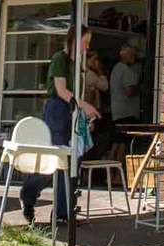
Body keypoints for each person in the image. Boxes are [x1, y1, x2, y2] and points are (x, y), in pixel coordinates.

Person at [19, 25, 100, 226]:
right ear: (74, 40)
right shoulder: (59, 59)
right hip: (57, 110)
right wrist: (85, 106)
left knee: (72, 162)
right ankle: (28, 194)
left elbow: (75, 95)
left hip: (72, 110)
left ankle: (63, 213)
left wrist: (83, 116)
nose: (87, 47)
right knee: (53, 159)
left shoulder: (77, 64)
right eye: (85, 42)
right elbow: (62, 91)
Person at [108, 44, 142, 124]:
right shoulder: (126, 70)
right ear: (123, 55)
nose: (133, 57)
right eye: (131, 54)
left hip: (117, 113)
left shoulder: (116, 68)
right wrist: (141, 88)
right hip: (127, 115)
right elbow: (129, 91)